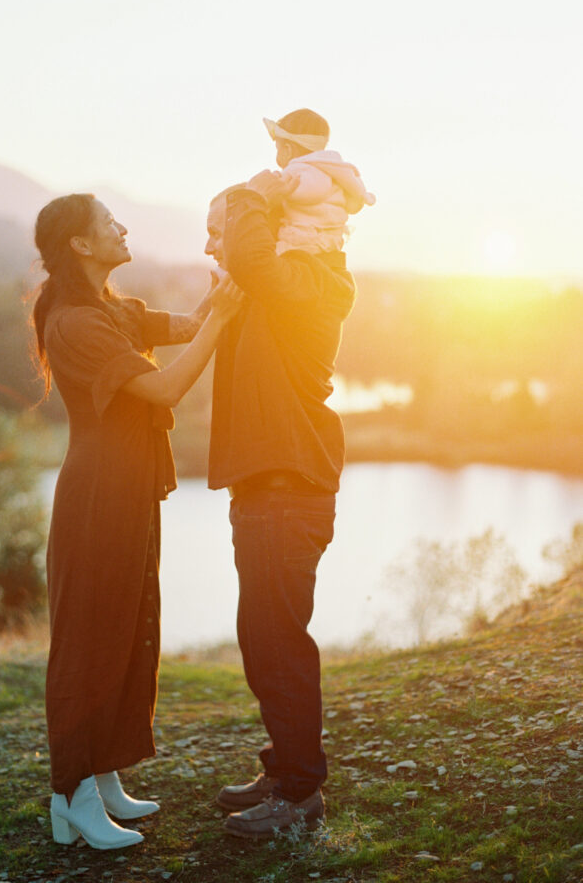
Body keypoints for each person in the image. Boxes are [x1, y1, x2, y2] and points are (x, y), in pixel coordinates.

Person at [32, 193, 242, 851]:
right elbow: (166, 388)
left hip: (126, 495)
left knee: (125, 628)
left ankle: (101, 771)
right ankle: (72, 796)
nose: (123, 228)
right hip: (95, 498)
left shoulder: (111, 312)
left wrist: (229, 286)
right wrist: (220, 322)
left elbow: (185, 323)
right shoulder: (73, 324)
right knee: (87, 642)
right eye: (109, 224)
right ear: (81, 245)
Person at [204, 173, 357, 839]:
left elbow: (247, 254)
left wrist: (252, 190)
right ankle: (282, 769)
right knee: (260, 641)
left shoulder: (311, 278)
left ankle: (299, 798)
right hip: (262, 489)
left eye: (219, 227)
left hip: (288, 491)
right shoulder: (267, 292)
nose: (213, 243)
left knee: (280, 644)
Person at [261, 108, 375, 256]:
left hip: (303, 236)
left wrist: (281, 190)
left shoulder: (299, 169)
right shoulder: (334, 169)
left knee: (264, 259)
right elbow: (354, 200)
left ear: (288, 150)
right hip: (329, 237)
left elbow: (313, 191)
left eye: (278, 149)